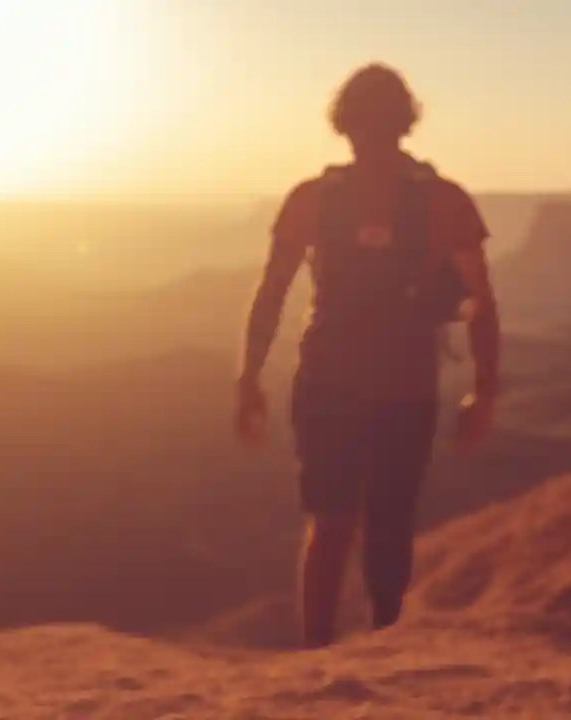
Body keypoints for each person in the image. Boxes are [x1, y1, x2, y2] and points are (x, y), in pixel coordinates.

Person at [235, 63, 501, 648]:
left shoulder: (314, 199)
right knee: (385, 524)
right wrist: (484, 389)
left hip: (335, 381)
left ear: (343, 123)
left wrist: (249, 377)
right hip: (401, 387)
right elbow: (481, 301)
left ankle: (324, 653)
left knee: (333, 524)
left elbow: (273, 291)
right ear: (407, 121)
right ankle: (382, 643)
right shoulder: (443, 202)